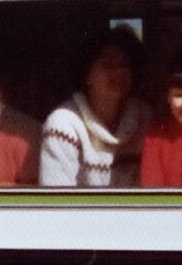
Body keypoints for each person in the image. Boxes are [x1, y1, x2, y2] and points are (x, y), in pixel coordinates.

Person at [40, 27, 151, 187]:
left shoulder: (145, 117)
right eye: (108, 64)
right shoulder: (62, 125)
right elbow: (56, 200)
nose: (119, 71)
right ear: (86, 74)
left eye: (124, 64)